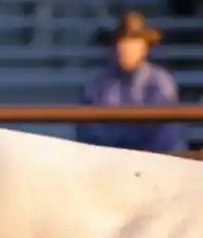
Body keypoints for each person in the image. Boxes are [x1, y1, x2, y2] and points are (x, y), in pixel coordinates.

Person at [74, 12, 185, 153]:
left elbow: (166, 132)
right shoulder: (98, 82)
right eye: (121, 42)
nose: (125, 48)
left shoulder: (160, 81)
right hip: (107, 160)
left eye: (132, 42)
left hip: (153, 160)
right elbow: (87, 128)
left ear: (144, 48)